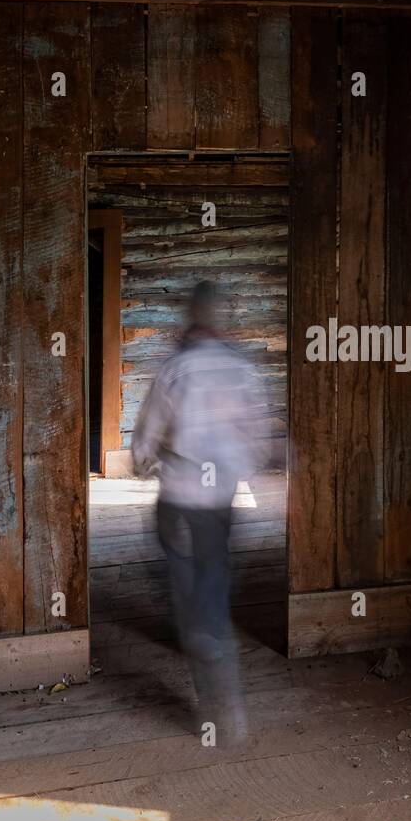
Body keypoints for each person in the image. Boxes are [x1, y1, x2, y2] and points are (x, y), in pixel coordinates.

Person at [131, 280, 259, 742]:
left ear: (190, 317)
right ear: (224, 321)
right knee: (213, 572)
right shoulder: (243, 372)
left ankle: (219, 698)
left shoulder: (174, 371)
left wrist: (145, 463)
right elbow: (253, 444)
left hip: (180, 499)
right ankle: (201, 625)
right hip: (220, 501)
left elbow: (145, 443)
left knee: (187, 582)